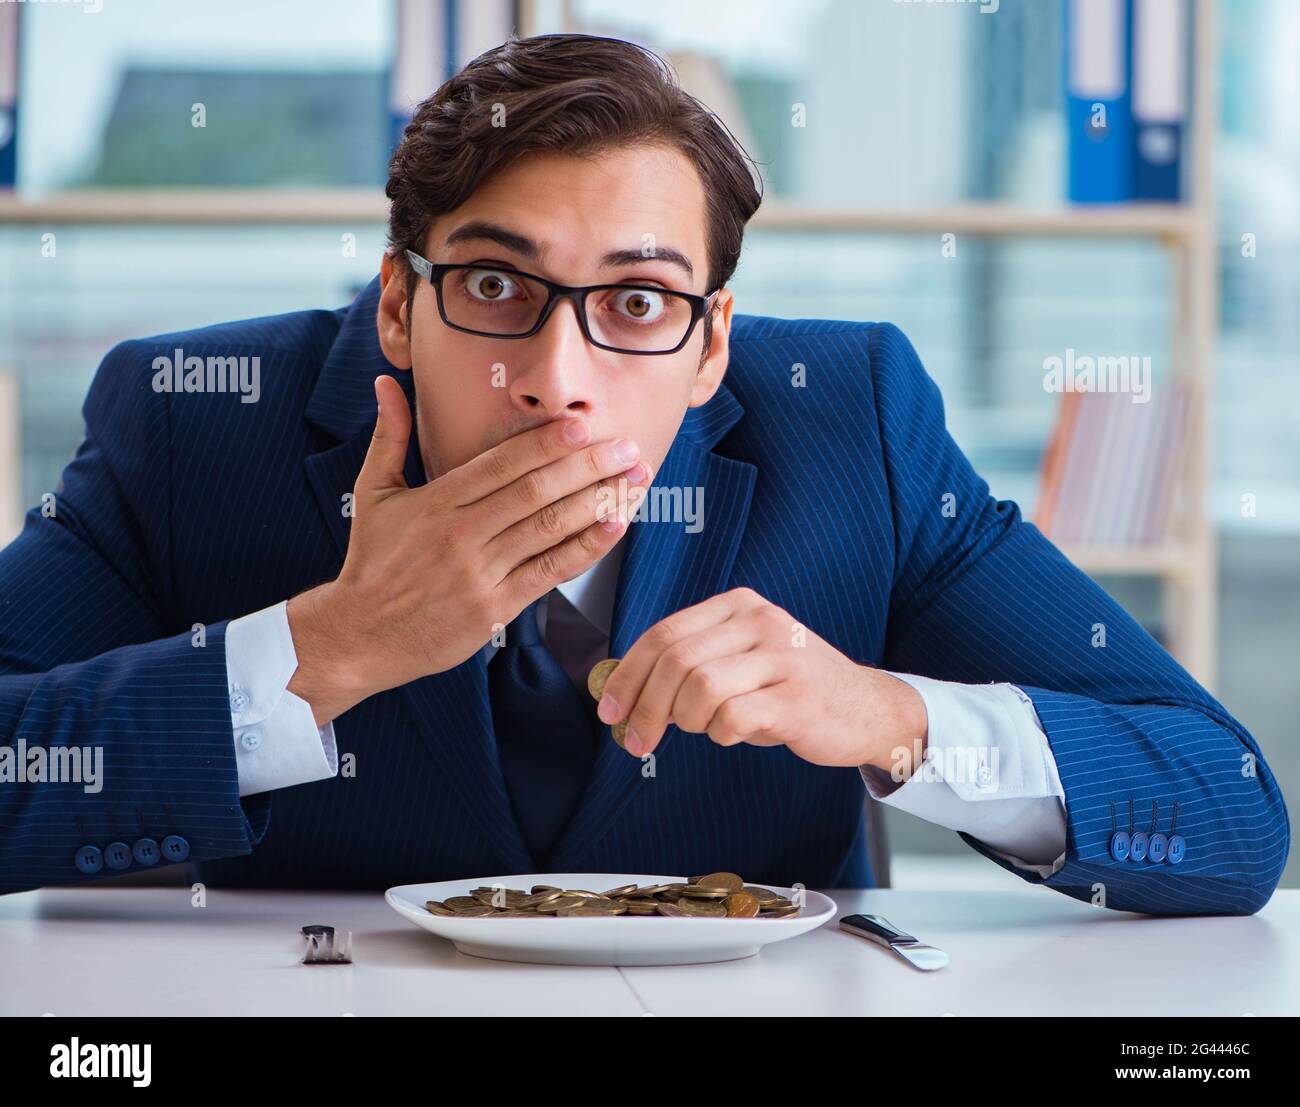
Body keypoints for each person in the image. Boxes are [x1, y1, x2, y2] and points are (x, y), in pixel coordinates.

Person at [0, 34, 1287, 911]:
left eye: (635, 301)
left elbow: (1229, 811)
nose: (558, 375)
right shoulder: (196, 428)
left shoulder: (849, 422)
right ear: (398, 306)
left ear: (712, 343)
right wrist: (318, 651)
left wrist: (894, 719)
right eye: (496, 286)